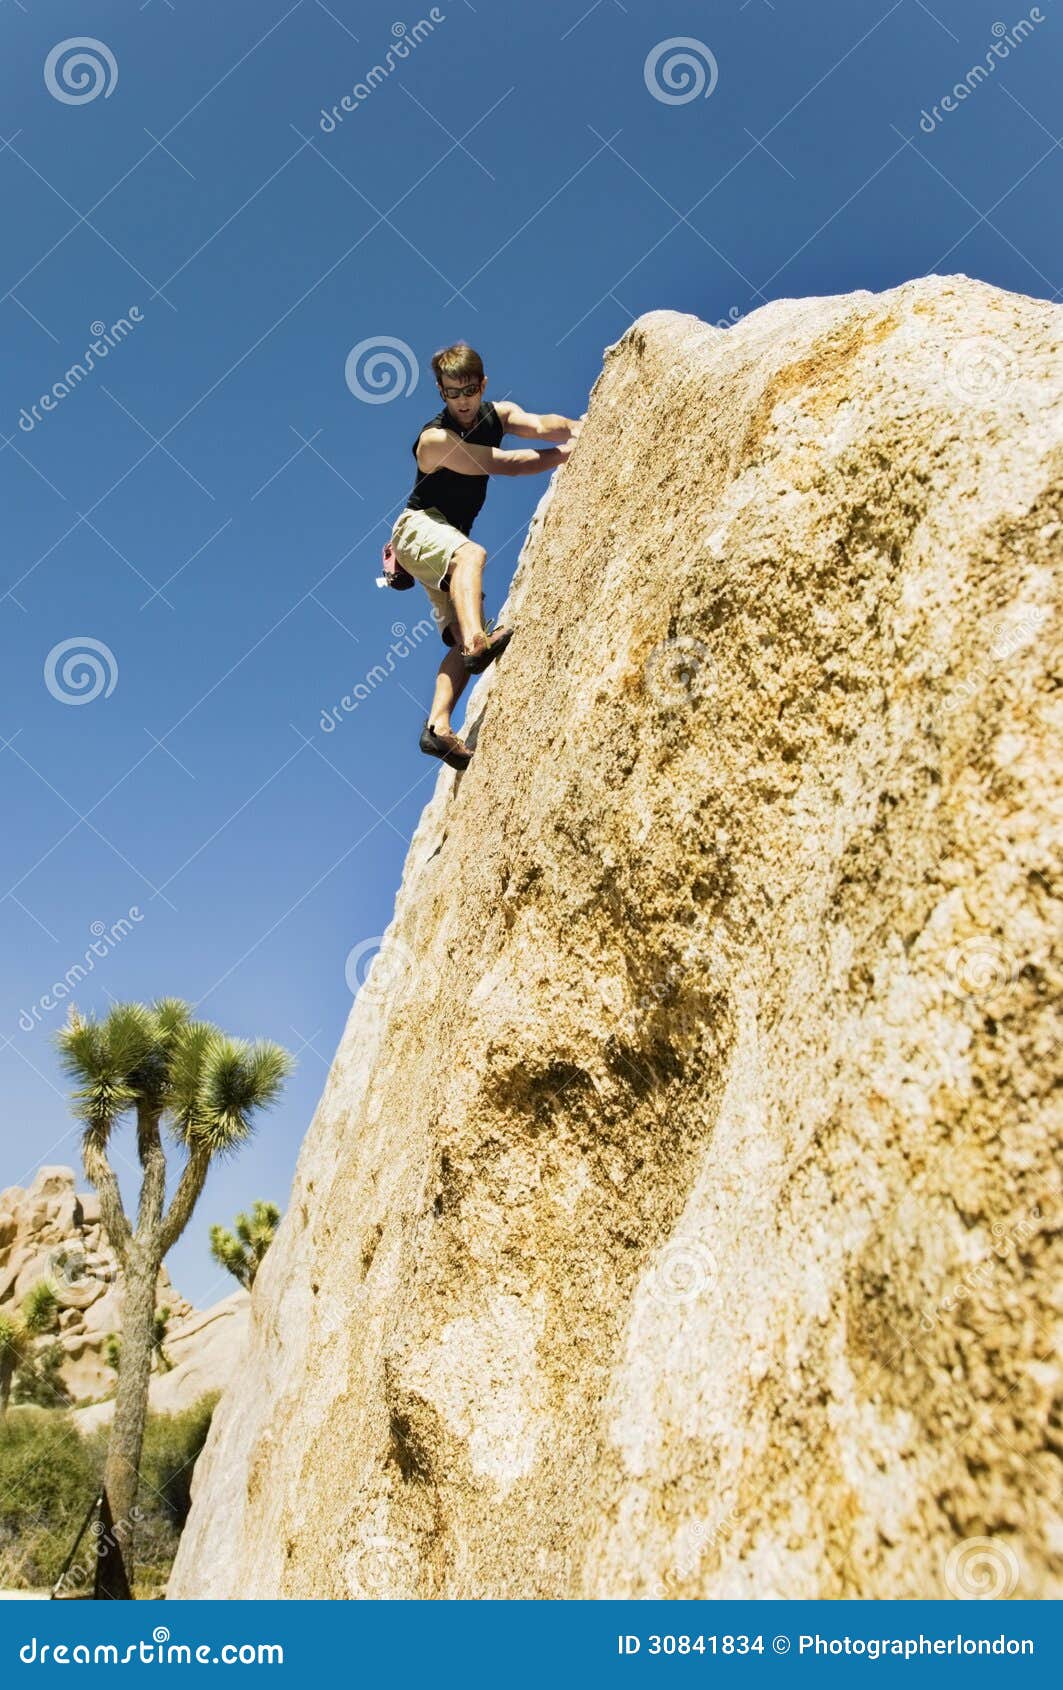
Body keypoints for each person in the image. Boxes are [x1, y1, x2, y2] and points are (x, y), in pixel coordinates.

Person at [389, 342, 582, 770]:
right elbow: (507, 463)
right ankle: (480, 642)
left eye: (470, 390)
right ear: (440, 392)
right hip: (420, 526)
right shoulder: (435, 440)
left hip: (440, 537)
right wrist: (569, 453)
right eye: (452, 393)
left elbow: (539, 425)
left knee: (459, 638)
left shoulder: (500, 414)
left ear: (483, 384)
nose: (462, 401)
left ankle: (437, 727)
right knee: (470, 555)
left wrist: (578, 427)